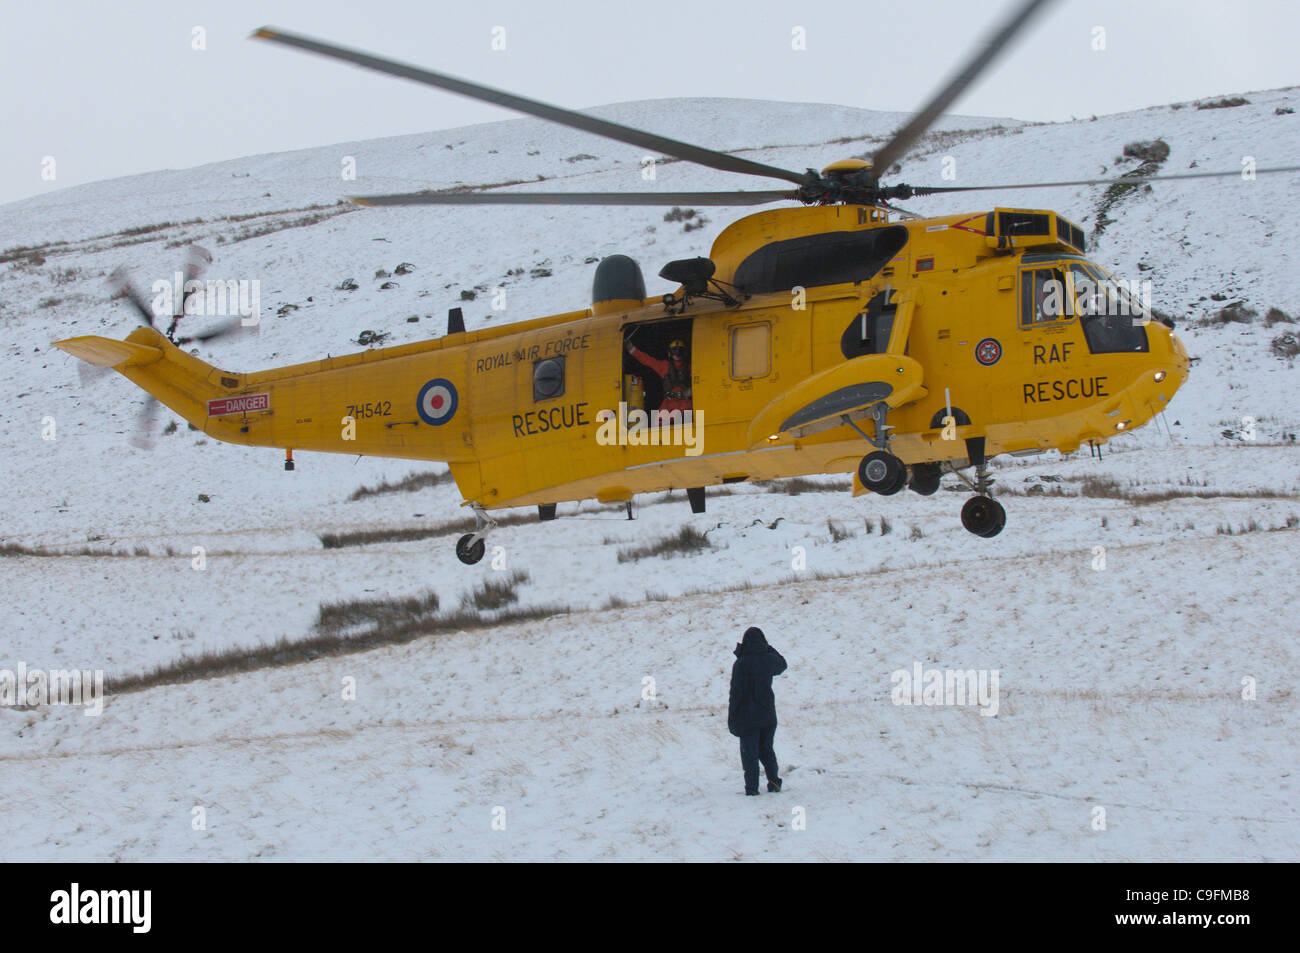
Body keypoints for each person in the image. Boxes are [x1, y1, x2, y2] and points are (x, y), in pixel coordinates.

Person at [727, 626, 788, 796]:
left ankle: (752, 788)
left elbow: (735, 693)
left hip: (747, 717)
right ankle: (774, 781)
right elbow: (782, 664)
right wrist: (767, 648)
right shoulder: (768, 659)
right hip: (768, 714)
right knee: (767, 750)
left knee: (750, 754)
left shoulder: (741, 663)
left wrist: (732, 718)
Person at [626, 337, 692, 412]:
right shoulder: (665, 366)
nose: (677, 354)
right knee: (659, 421)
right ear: (670, 353)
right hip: (669, 405)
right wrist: (632, 350)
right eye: (674, 351)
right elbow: (648, 360)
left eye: (680, 351)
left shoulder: (690, 368)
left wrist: (691, 391)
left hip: (686, 404)